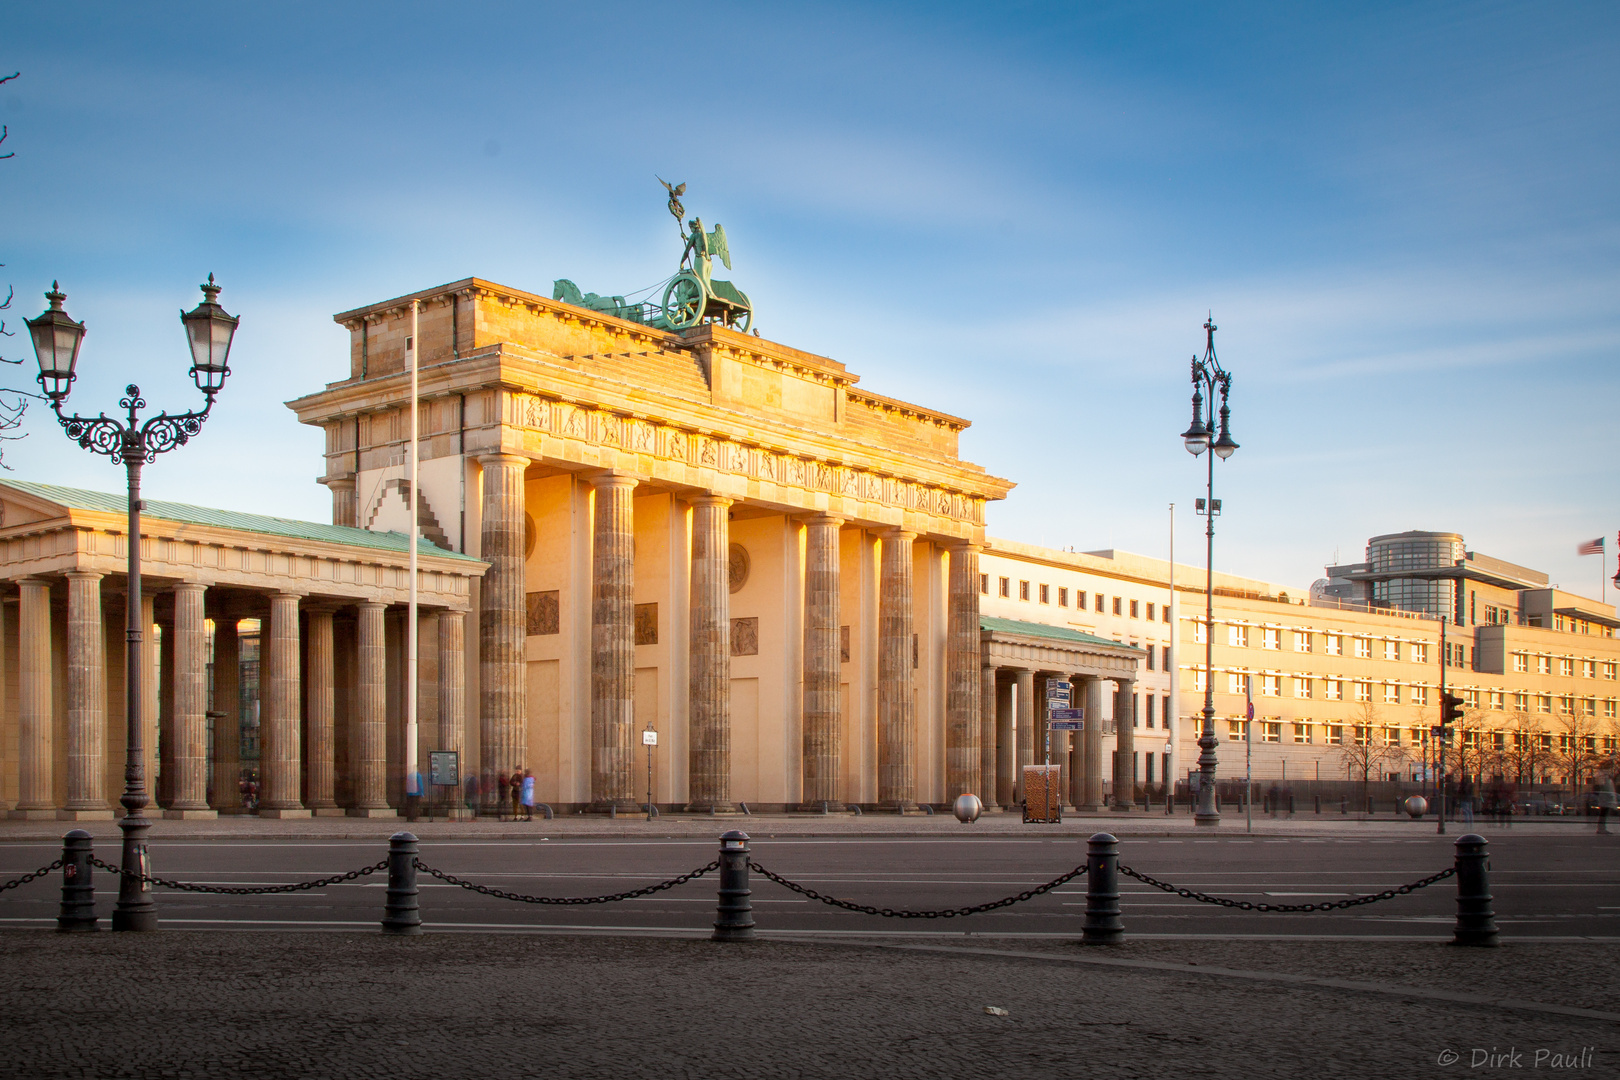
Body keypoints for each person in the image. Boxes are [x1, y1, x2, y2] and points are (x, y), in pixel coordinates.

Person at [1595, 769, 1616, 836]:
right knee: (1603, 814)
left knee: (1603, 814)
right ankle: (1601, 828)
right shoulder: (1606, 780)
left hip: (1606, 799)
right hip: (1605, 800)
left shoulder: (1606, 780)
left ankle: (1601, 828)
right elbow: (1607, 789)